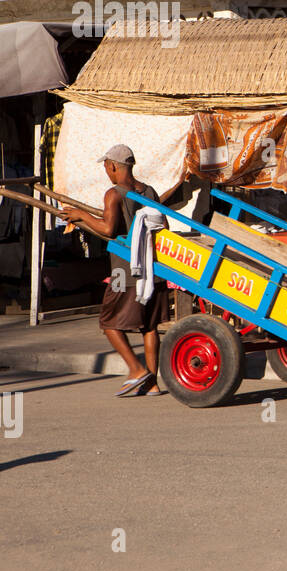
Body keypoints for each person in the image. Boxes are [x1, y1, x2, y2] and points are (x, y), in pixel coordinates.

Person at [62, 145, 168, 397]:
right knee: (149, 327)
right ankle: (152, 384)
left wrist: (80, 215)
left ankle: (136, 370)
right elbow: (163, 225)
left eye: (106, 167)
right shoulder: (150, 191)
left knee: (108, 322)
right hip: (154, 269)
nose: (106, 172)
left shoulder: (113, 194)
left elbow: (109, 229)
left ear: (113, 166)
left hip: (126, 271)